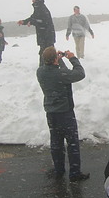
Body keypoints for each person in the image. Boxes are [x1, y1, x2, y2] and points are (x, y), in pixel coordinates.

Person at [36, 46, 89, 182]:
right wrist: (72, 58)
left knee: (56, 143)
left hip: (51, 114)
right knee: (72, 144)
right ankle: (74, 173)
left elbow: (59, 71)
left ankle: (59, 170)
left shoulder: (40, 72)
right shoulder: (61, 75)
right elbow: (79, 73)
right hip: (65, 114)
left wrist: (58, 60)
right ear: (54, 60)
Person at [18, 0, 56, 66]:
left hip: (47, 36)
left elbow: (44, 22)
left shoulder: (43, 9)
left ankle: (47, 70)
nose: (32, 1)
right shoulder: (38, 9)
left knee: (47, 54)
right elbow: (33, 18)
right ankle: (45, 68)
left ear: (38, 0)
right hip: (43, 36)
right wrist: (24, 22)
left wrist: (33, 22)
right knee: (45, 54)